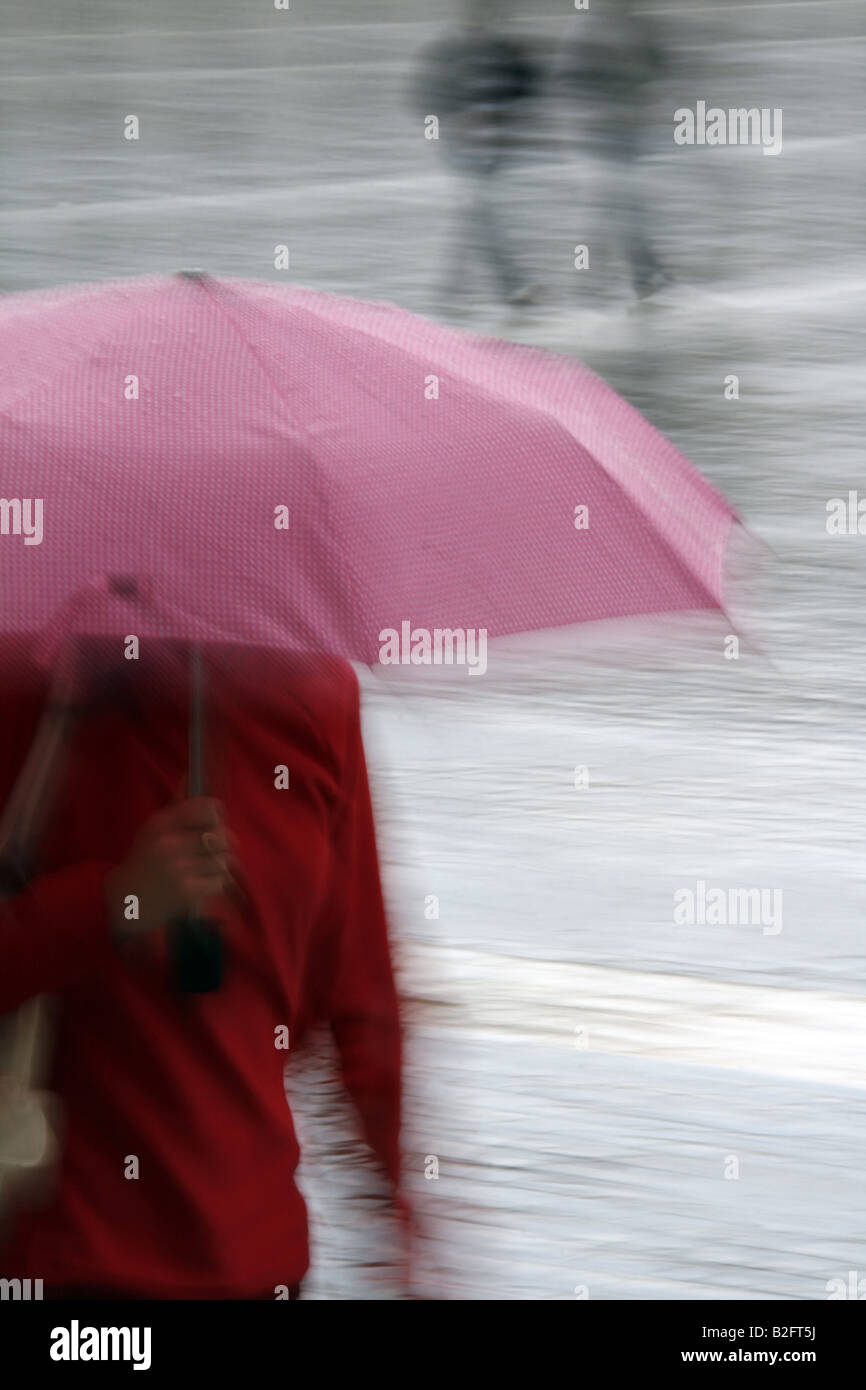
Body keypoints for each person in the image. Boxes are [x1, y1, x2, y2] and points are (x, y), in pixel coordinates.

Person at [0, 636, 403, 1299]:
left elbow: (358, 999)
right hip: (70, 1265)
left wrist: (405, 1214)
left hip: (262, 1265)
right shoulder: (39, 681)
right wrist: (117, 902)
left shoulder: (321, 695)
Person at [415, 0, 540, 311]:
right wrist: (451, 123)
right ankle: (507, 289)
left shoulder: (504, 49)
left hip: (494, 148)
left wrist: (507, 117)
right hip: (461, 148)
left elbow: (528, 86)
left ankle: (450, 294)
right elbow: (423, 97)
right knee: (480, 213)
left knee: (474, 215)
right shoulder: (447, 50)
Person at [556, 0, 673, 301]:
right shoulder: (587, 32)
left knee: (620, 208)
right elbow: (570, 81)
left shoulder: (632, 28)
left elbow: (658, 66)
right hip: (599, 136)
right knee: (614, 208)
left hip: (623, 134)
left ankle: (640, 277)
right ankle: (612, 281)